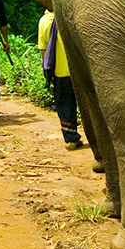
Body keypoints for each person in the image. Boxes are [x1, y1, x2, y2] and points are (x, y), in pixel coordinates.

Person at [37, 9, 84, 150]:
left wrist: (47, 71)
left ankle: (72, 138)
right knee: (86, 104)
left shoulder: (44, 21)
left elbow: (43, 50)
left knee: (64, 102)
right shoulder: (72, 15)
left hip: (60, 71)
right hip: (79, 70)